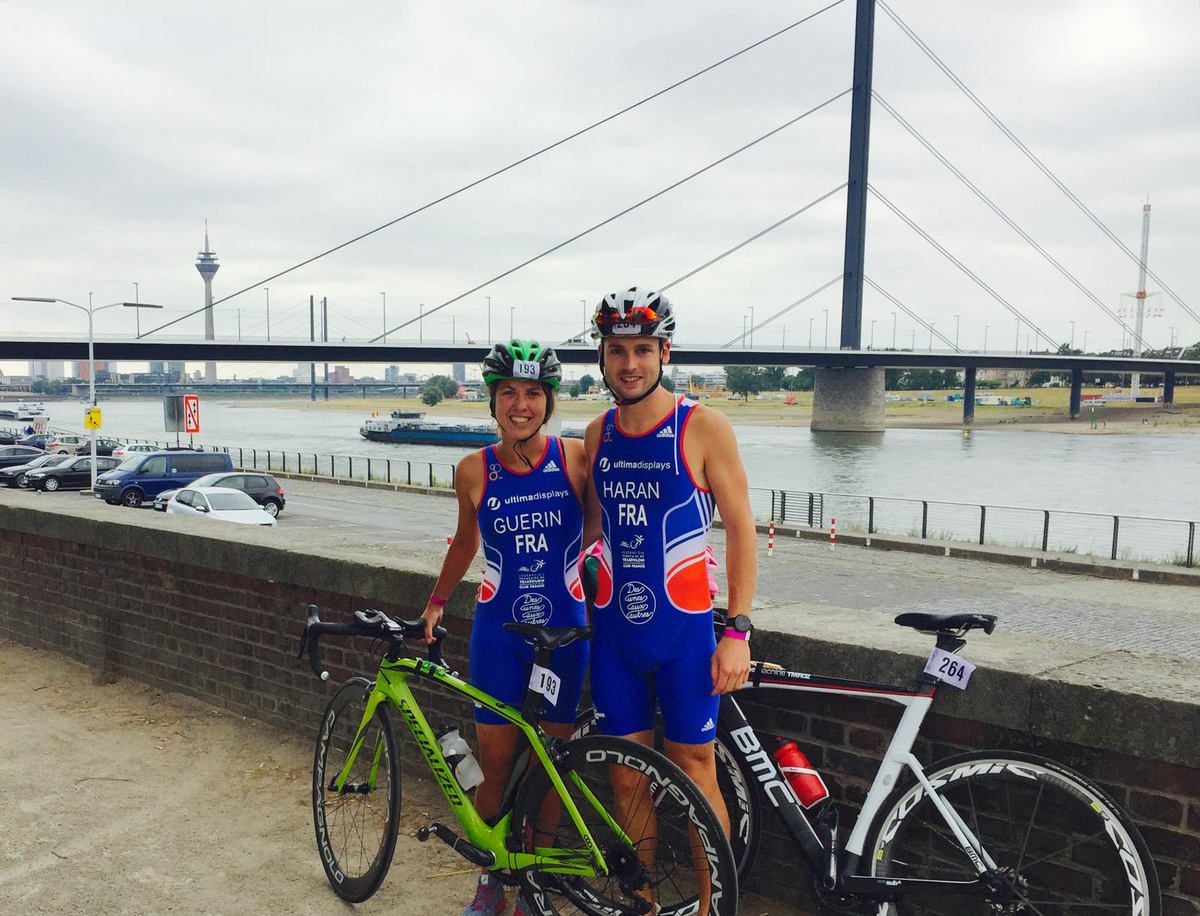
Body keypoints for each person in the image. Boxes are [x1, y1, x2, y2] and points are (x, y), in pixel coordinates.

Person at [421, 339, 589, 916]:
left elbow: (609, 528)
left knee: (552, 769)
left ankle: (533, 880)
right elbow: (467, 541)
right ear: (493, 402)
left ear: (549, 401)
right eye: (509, 393)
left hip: (565, 631)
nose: (522, 404)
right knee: (495, 761)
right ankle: (492, 875)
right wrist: (438, 599)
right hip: (500, 631)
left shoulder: (574, 458)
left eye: (534, 393)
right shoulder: (473, 469)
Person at [584, 286, 758, 842]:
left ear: (665, 352)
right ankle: (644, 901)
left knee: (697, 774)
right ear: (603, 357)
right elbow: (591, 530)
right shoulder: (597, 434)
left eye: (642, 349)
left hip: (683, 634)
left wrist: (738, 630)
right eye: (617, 350)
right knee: (625, 779)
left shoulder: (703, 427)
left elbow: (741, 530)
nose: (629, 363)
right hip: (614, 637)